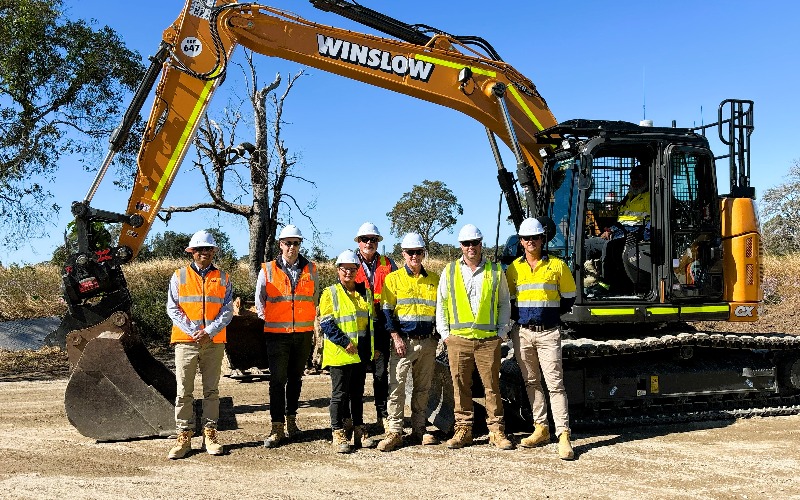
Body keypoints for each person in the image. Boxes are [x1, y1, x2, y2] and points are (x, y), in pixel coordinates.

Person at [435, 223, 514, 450]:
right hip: (458, 340)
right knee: (460, 387)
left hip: (488, 341)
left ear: (481, 244)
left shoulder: (496, 271)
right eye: (467, 243)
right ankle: (463, 430)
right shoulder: (449, 271)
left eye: (475, 243)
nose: (471, 247)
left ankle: (497, 431)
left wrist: (501, 333)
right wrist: (445, 334)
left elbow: (503, 304)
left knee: (492, 387)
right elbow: (442, 304)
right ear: (461, 246)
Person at [506, 218, 577, 460]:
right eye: (526, 238)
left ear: (541, 239)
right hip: (523, 332)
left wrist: (548, 314)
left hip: (548, 332)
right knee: (532, 382)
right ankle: (541, 428)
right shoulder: (514, 269)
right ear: (521, 241)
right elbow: (509, 302)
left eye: (534, 237)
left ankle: (563, 435)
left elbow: (568, 298)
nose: (530, 242)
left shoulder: (557, 266)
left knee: (555, 384)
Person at [166, 229, 234, 459]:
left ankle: (210, 434)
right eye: (199, 249)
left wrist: (209, 331)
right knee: (183, 391)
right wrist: (195, 331)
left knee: (211, 391)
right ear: (191, 252)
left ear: (213, 251)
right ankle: (184, 436)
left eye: (208, 249)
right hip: (186, 341)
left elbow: (227, 311)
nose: (203, 253)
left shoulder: (224, 278)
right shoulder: (179, 276)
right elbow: (173, 308)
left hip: (213, 342)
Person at [377, 233, 440, 452]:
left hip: (428, 342)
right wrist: (395, 337)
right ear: (403, 254)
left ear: (423, 253)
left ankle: (419, 429)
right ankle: (394, 432)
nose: (415, 256)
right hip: (403, 342)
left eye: (418, 252)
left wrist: (437, 336)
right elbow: (386, 311)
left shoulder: (434, 279)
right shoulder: (393, 279)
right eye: (410, 252)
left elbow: (441, 311)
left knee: (423, 389)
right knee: (397, 388)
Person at [257, 225, 318, 448]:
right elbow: (260, 301)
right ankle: (276, 426)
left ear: (300, 245)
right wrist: (274, 320)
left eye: (296, 243)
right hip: (276, 335)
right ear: (280, 244)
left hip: (302, 334)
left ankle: (291, 421)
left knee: (296, 379)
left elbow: (314, 299)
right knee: (277, 380)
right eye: (288, 243)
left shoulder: (311, 269)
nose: (292, 247)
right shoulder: (268, 269)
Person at [319, 250, 375, 453]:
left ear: (357, 270)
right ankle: (337, 431)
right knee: (339, 394)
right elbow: (326, 323)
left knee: (357, 394)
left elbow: (369, 325)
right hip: (339, 354)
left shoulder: (364, 294)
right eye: (344, 269)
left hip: (359, 353)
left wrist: (370, 349)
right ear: (338, 270)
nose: (348, 273)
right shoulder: (330, 293)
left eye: (352, 269)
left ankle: (358, 428)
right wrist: (344, 342)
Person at [352, 222, 397, 437]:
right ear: (358, 242)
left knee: (381, 374)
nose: (369, 242)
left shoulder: (388, 263)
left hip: (380, 325)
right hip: (358, 328)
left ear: (378, 242)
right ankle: (356, 421)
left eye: (373, 239)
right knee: (357, 375)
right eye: (365, 239)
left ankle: (383, 417)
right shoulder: (349, 263)